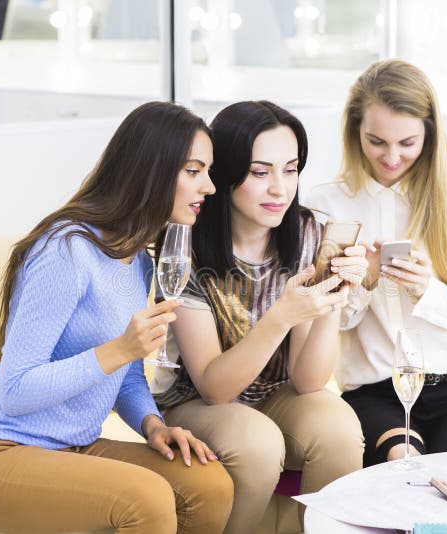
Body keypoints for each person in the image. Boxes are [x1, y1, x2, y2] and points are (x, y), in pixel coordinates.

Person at [0, 102, 233, 534]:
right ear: (150, 170)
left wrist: (152, 424)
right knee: (148, 499)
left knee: (209, 485)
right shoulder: (67, 250)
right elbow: (16, 391)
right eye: (194, 171)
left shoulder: (138, 261)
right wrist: (119, 348)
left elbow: (127, 375)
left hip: (73, 447)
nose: (209, 187)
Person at [151, 100, 367, 532]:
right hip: (194, 402)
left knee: (338, 426)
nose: (280, 189)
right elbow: (214, 388)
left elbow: (308, 382)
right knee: (257, 441)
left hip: (275, 394)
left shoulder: (307, 232)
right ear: (226, 173)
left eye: (290, 170)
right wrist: (281, 317)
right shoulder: (185, 247)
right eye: (260, 172)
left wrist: (333, 297)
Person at [306, 59, 447, 467]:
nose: (392, 157)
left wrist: (426, 289)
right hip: (376, 390)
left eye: (407, 143)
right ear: (354, 131)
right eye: (376, 141)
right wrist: (364, 283)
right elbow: (324, 324)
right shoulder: (326, 205)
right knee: (401, 466)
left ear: (430, 135)